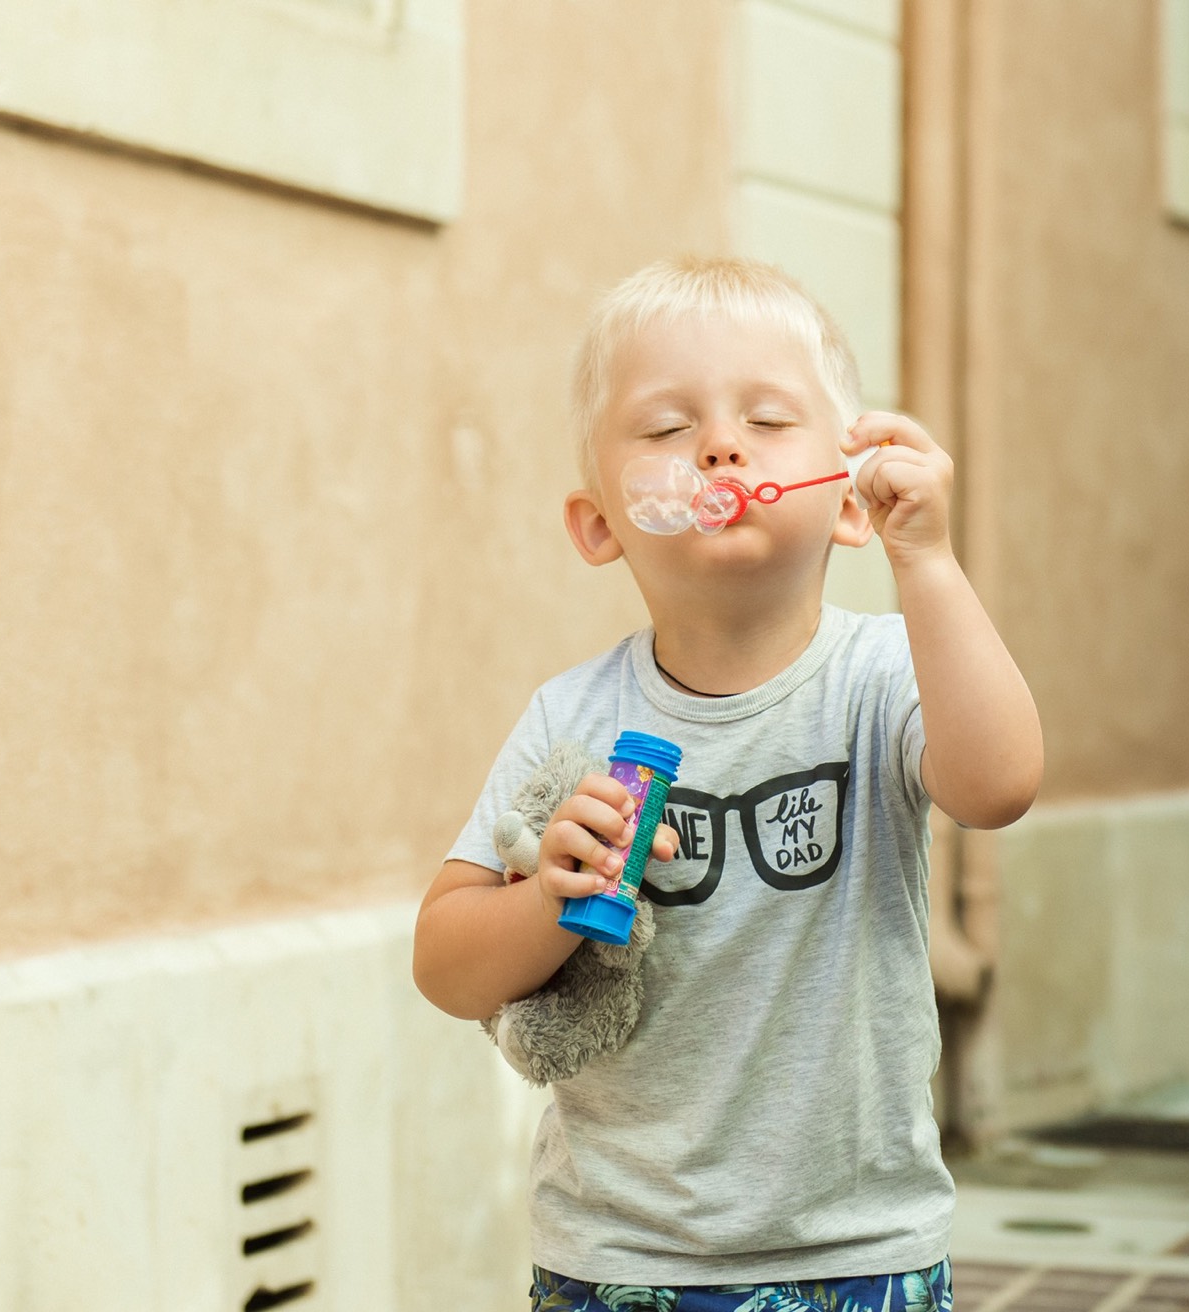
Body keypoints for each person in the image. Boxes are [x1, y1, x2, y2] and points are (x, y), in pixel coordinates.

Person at [413, 256, 1042, 1312]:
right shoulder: (569, 718)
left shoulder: (883, 676)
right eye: (665, 430)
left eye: (766, 418)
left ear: (845, 505)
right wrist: (545, 901)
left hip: (857, 1249)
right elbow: (445, 968)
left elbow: (999, 784)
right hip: (618, 1258)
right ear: (599, 524)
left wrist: (927, 562)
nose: (718, 445)